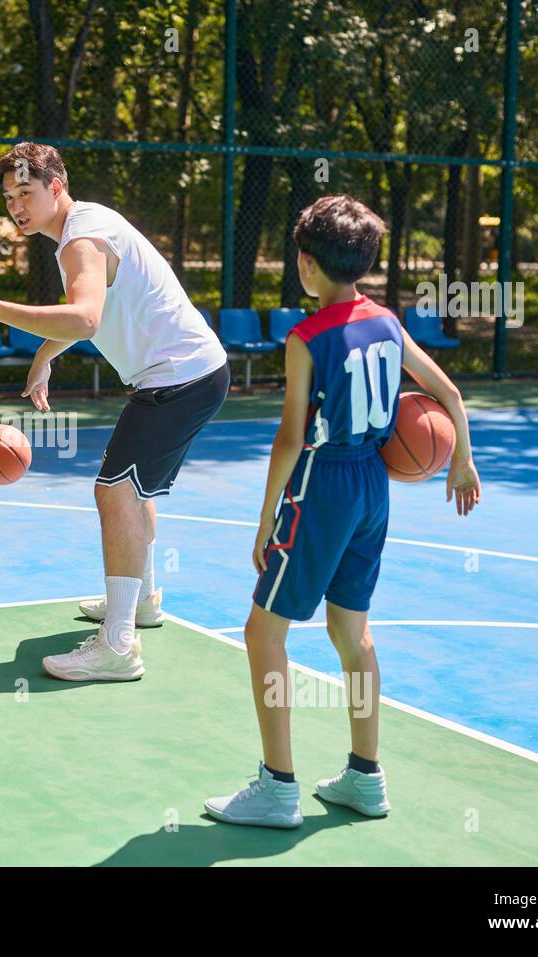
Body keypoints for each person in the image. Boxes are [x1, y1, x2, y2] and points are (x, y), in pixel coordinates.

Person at [204, 194, 481, 828]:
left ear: (306, 263)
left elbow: (289, 438)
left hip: (320, 488)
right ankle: (365, 777)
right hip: (373, 489)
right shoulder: (386, 320)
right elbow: (449, 391)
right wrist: (462, 458)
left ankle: (277, 788)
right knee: (351, 634)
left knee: (263, 633)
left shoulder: (306, 337)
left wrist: (266, 514)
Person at [0, 142, 230, 681]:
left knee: (114, 490)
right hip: (191, 373)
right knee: (133, 487)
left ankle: (118, 647)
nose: (17, 207)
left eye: (26, 193)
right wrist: (43, 355)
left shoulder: (80, 237)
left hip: (178, 378)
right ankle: (142, 600)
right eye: (9, 197)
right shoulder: (83, 229)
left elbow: (83, 318)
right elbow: (89, 311)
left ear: (56, 187)